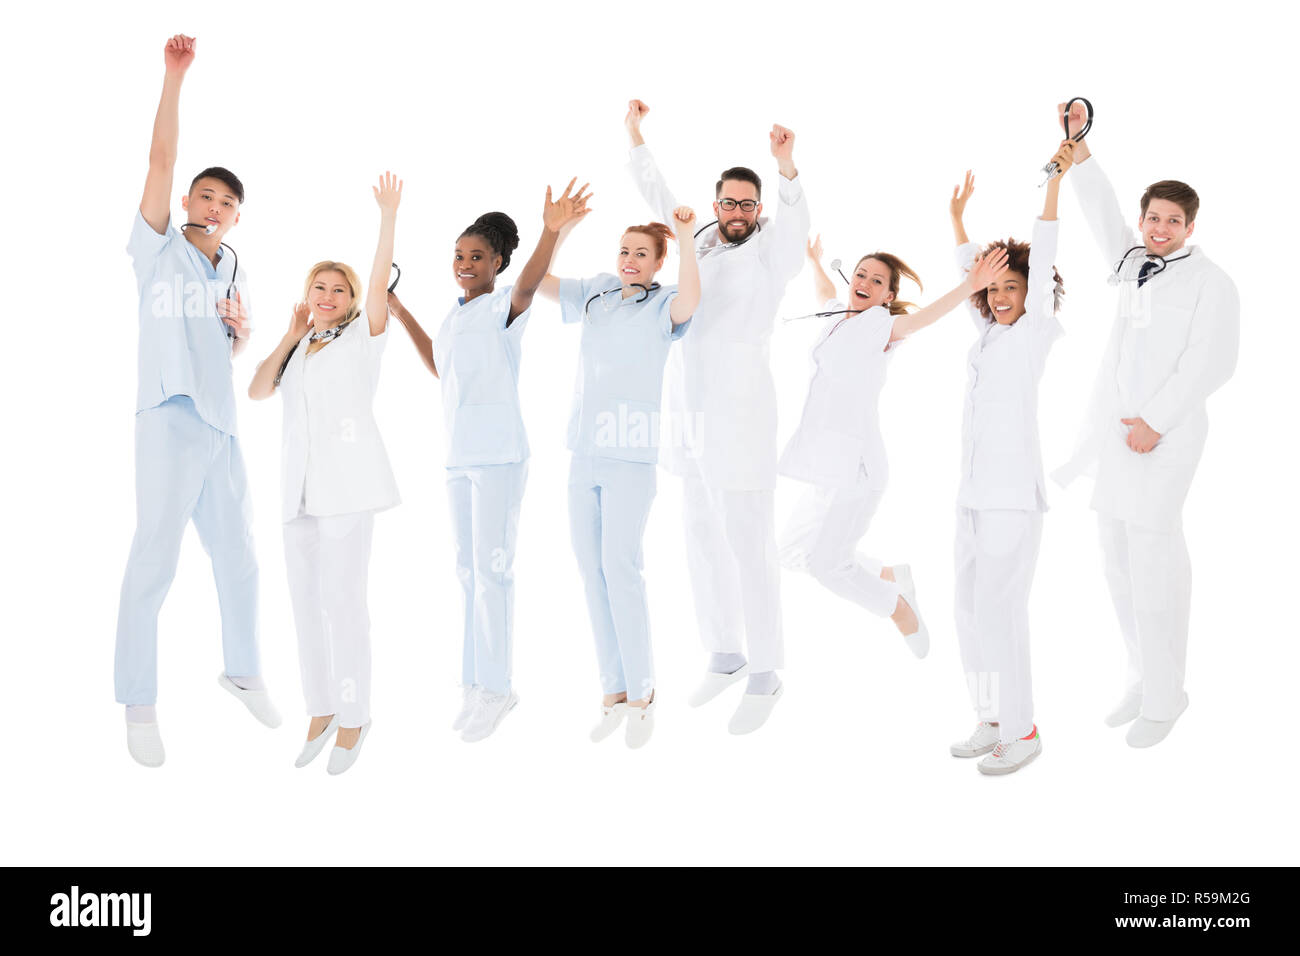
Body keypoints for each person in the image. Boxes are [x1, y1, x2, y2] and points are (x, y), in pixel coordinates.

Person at [1052, 102, 1240, 749]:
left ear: (1191, 225)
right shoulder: (1133, 262)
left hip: (1168, 438)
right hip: (1117, 434)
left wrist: (1155, 423)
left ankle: (1168, 695)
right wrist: (1080, 149)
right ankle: (1141, 673)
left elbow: (1212, 363)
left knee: (1154, 555)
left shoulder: (1213, 284)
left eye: (1172, 220)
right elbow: (1101, 216)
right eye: (1152, 217)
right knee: (1114, 556)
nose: (1160, 228)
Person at [115, 34, 279, 768]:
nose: (215, 207)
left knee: (239, 557)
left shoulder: (232, 264)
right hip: (169, 417)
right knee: (155, 559)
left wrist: (239, 337)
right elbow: (159, 160)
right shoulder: (158, 246)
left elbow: (223, 349)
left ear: (237, 219)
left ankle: (243, 669)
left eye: (228, 203)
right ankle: (139, 701)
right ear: (188, 202)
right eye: (206, 196)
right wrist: (173, 78)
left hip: (222, 426)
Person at [624, 99, 808, 735]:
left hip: (742, 414)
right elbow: (658, 196)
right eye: (728, 203)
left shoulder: (772, 254)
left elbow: (797, 218)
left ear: (758, 209)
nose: (737, 213)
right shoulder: (695, 241)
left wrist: (785, 168)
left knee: (748, 541)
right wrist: (635, 137)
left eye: (746, 204)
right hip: (690, 412)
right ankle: (725, 653)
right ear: (716, 205)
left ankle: (765, 671)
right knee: (701, 534)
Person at [387, 181, 590, 742]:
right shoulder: (455, 317)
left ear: (498, 262)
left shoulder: (506, 304)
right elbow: (440, 367)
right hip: (458, 456)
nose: (464, 264)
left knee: (493, 574)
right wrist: (402, 313)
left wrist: (551, 231)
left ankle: (498, 690)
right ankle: (476, 684)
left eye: (477, 257)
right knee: (468, 572)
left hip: (499, 456)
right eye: (458, 255)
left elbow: (530, 282)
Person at [780, 239, 1011, 660]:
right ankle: (890, 574)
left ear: (889, 296)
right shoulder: (839, 315)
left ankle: (899, 608)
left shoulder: (879, 325)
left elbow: (922, 319)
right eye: (861, 275)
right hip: (825, 466)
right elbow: (824, 293)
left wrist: (971, 285)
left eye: (877, 280)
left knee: (826, 565)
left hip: (858, 470)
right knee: (792, 552)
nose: (865, 283)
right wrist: (814, 261)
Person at [247, 172, 404, 774]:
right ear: (306, 293)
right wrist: (288, 336)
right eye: (319, 286)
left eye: (338, 288)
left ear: (352, 297)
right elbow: (259, 390)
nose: (327, 294)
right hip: (298, 495)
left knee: (343, 602)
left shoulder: (363, 338)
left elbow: (379, 277)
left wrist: (387, 218)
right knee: (304, 605)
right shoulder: (300, 348)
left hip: (348, 491)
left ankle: (354, 712)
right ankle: (319, 707)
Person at [537, 204, 701, 748]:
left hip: (631, 455)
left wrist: (682, 234)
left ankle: (643, 693)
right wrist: (556, 234)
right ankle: (612, 690)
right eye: (624, 251)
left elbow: (692, 300)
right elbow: (536, 281)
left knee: (620, 567)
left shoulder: (664, 305)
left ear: (658, 263)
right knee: (590, 570)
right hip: (583, 451)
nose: (630, 260)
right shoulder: (599, 292)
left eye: (641, 254)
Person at [947, 140, 1075, 775]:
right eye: (992, 289)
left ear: (1034, 292)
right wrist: (959, 225)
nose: (999, 297)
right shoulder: (991, 333)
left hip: (1011, 499)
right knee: (969, 611)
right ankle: (992, 717)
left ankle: (1023, 730)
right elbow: (973, 272)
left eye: (1011, 286)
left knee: (1001, 611)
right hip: (973, 496)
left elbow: (1043, 247)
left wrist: (1055, 179)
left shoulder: (1033, 331)